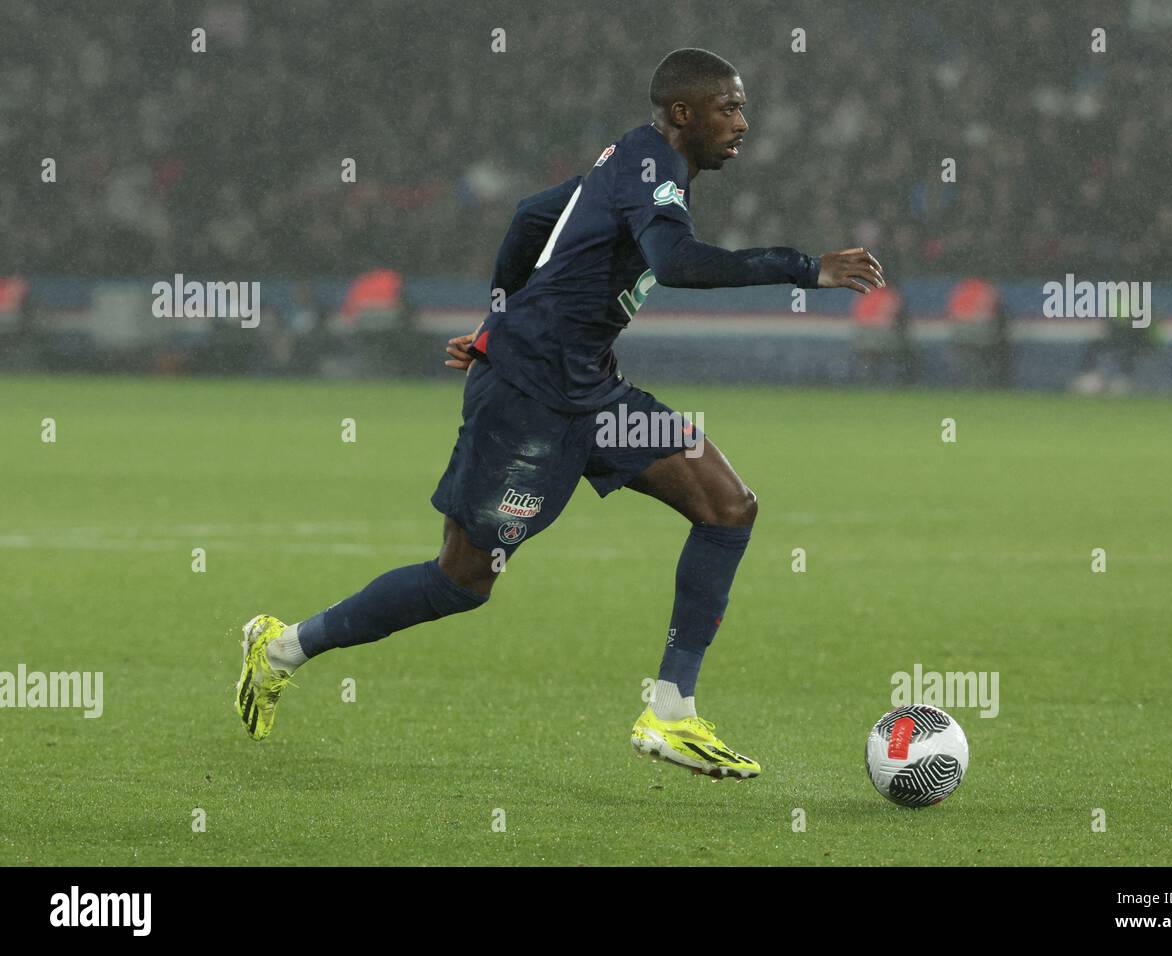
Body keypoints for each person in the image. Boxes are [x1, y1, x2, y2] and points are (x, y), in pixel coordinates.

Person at [235, 48, 885, 779]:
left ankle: (670, 712)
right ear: (682, 113)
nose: (743, 122)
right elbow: (673, 262)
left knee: (729, 506)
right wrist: (805, 268)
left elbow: (528, 218)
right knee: (461, 581)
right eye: (729, 107)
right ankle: (283, 647)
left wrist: (498, 317)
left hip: (593, 393)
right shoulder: (653, 170)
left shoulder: (631, 162)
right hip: (526, 401)